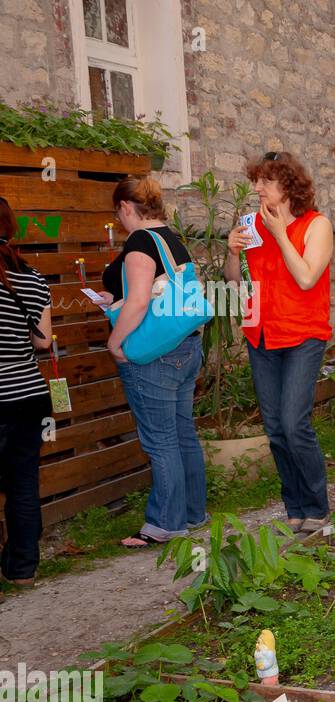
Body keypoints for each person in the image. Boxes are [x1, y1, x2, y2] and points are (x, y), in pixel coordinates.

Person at [226, 151, 335, 534]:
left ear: (287, 186)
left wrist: (278, 234)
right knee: (274, 427)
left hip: (303, 333)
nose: (256, 188)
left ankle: (318, 506)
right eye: (255, 181)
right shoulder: (250, 224)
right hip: (261, 333)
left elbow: (306, 278)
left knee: (294, 422)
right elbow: (234, 283)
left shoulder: (316, 225)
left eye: (265, 181)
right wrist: (232, 252)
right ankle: (296, 504)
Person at [102, 176, 207, 547]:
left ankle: (164, 524)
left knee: (161, 442)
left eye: (119, 214)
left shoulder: (139, 242)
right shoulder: (171, 239)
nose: (120, 222)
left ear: (127, 208)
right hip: (186, 348)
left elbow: (140, 302)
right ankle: (193, 513)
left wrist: (116, 343)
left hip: (155, 357)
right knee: (182, 435)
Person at [0, 197, 53, 586]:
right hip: (31, 395)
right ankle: (22, 570)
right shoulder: (33, 278)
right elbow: (43, 341)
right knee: (23, 482)